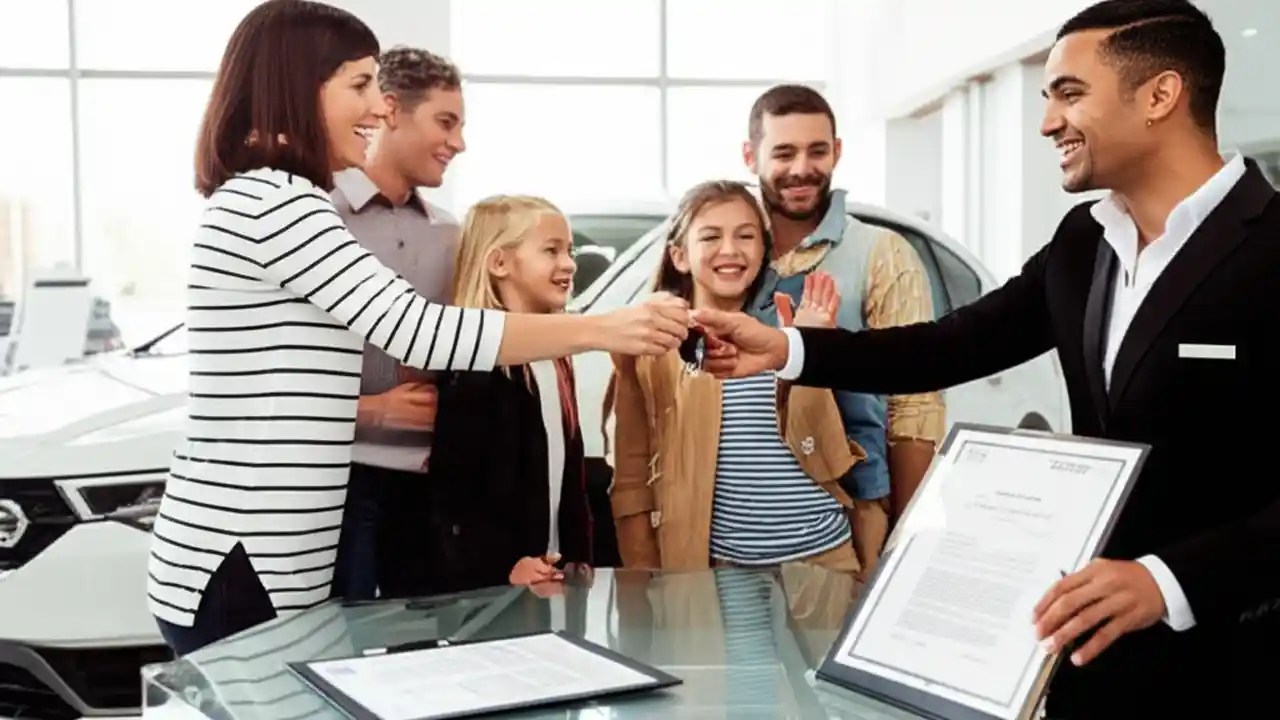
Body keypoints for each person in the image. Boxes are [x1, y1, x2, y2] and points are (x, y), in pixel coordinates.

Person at [691, 1, 1278, 716]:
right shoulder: (1084, 242)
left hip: (1233, 656)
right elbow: (950, 345)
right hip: (1090, 651)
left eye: (1069, 94)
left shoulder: (1270, 247)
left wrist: (1167, 580)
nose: (1047, 122)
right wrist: (788, 348)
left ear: (1159, 96)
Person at [146, 0, 688, 656]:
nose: (378, 107)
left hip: (268, 559)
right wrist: (607, 328)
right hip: (242, 559)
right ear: (296, 84)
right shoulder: (274, 204)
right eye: (359, 85)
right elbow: (418, 331)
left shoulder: (277, 200)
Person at [609, 180, 865, 577]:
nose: (730, 250)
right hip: (723, 567)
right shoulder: (654, 345)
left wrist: (811, 344)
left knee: (832, 642)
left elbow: (828, 447)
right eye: (710, 236)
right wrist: (643, 571)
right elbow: (630, 473)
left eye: (746, 236)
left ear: (764, 250)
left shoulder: (792, 323)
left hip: (822, 557)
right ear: (680, 255)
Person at [742, 85, 945, 576]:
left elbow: (914, 405)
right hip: (734, 522)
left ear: (837, 151)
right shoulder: (723, 253)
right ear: (751, 157)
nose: (801, 169)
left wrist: (903, 538)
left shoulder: (882, 253)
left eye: (817, 150)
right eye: (783, 152)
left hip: (849, 516)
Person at [383, 195, 595, 598]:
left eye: (568, 251)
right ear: (499, 263)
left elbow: (570, 473)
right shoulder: (476, 368)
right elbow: (455, 492)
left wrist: (578, 552)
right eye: (551, 251)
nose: (568, 263)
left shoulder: (556, 359)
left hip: (551, 575)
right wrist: (503, 563)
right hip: (498, 585)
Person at [328, 46, 467, 602]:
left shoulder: (451, 235)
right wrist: (374, 410)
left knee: (421, 662)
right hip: (338, 481)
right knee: (337, 649)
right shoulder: (318, 219)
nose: (458, 142)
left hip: (428, 486)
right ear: (390, 112)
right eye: (445, 122)